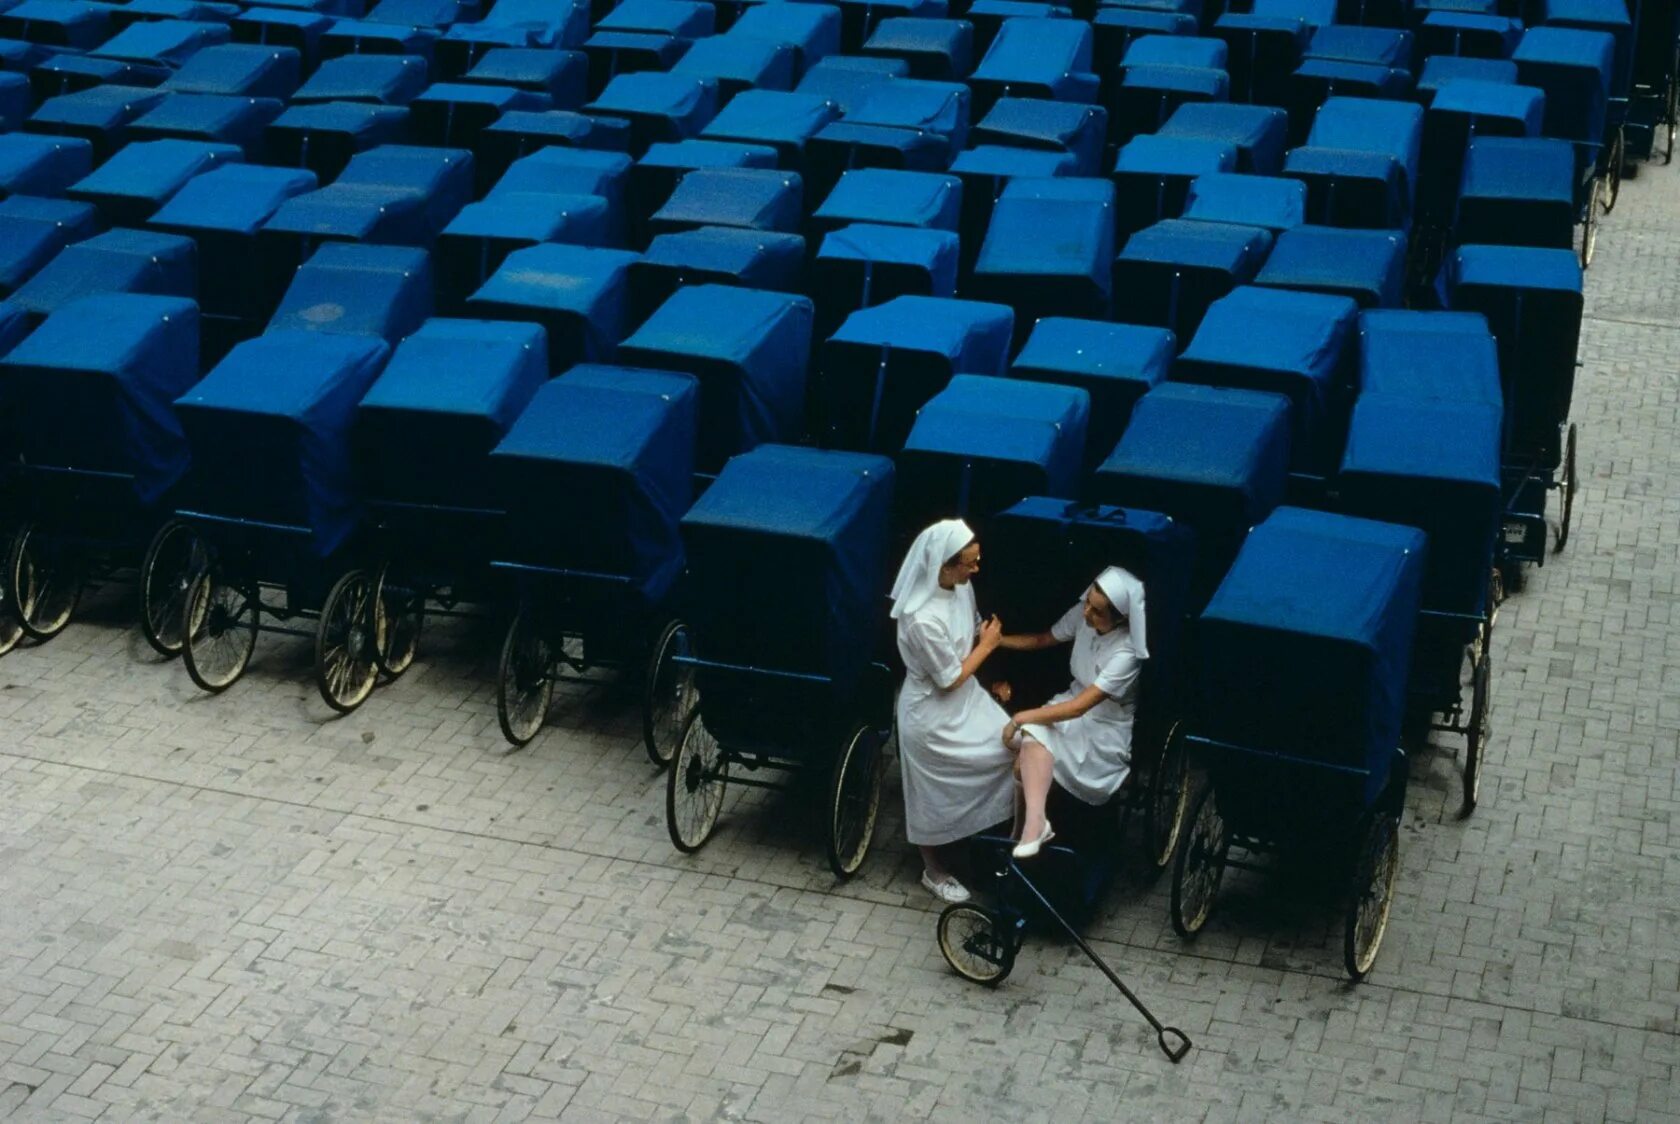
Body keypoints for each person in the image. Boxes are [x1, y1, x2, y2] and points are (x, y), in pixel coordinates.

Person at [891, 519, 1056, 903]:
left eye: (976, 559)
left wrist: (990, 662)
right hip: (931, 715)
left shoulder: (960, 587)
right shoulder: (920, 617)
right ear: (944, 566)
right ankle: (934, 870)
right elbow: (948, 678)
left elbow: (972, 635)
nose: (976, 568)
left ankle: (1017, 836)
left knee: (1019, 745)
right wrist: (989, 645)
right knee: (933, 794)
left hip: (968, 700)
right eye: (969, 562)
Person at [1000, 567, 1148, 823]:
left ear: (1121, 619)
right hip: (1069, 704)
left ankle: (1029, 831)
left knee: (1028, 764)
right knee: (1024, 765)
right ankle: (1025, 832)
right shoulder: (1084, 615)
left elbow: (1081, 707)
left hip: (1103, 727)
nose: (1086, 612)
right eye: (1087, 602)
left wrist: (1020, 718)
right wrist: (998, 641)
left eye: (1097, 611)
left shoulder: (1128, 652)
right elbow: (1043, 639)